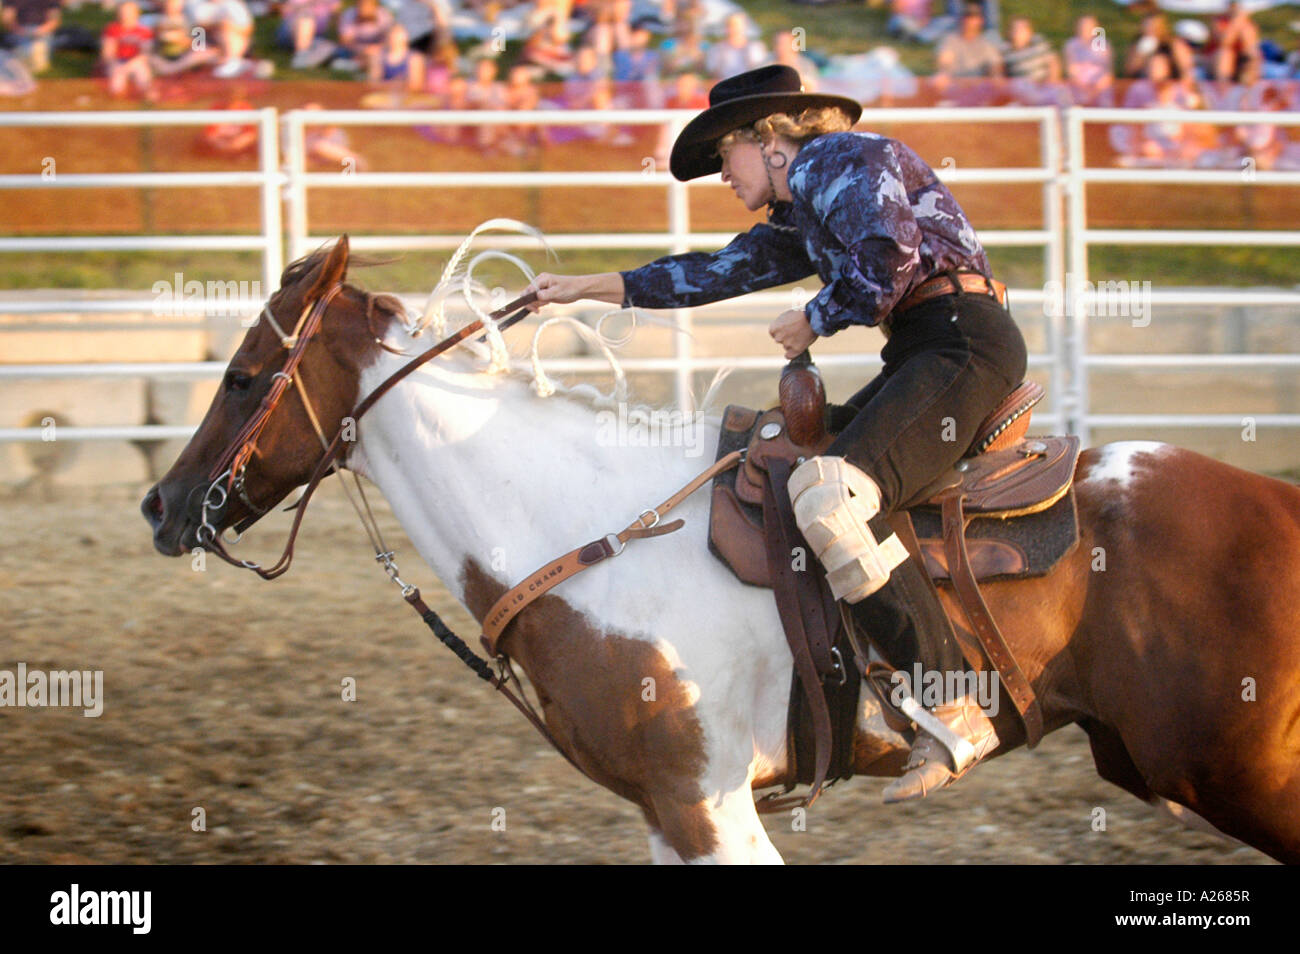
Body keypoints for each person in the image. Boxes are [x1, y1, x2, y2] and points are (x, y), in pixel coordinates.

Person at [524, 65, 1027, 802]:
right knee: (810, 476)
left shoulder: (840, 160)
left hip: (959, 344)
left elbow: (891, 258)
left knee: (832, 496)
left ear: (766, 139)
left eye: (724, 158)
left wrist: (814, 318)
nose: (722, 177)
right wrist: (585, 287)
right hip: (932, 344)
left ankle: (953, 702)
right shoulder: (809, 207)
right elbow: (713, 273)